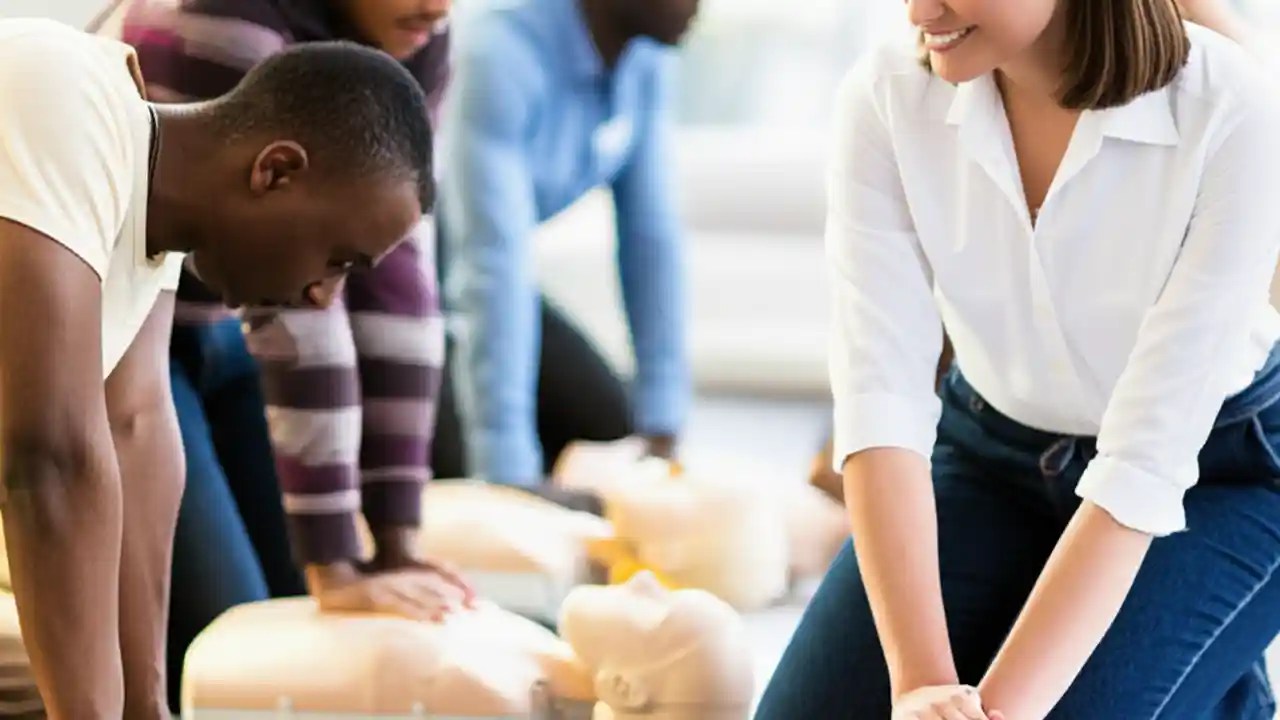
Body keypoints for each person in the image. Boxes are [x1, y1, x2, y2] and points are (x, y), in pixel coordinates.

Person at [755, 0, 1280, 718]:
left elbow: (1143, 467)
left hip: (1222, 474)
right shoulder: (884, 96)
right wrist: (920, 686)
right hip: (990, 450)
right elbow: (881, 403)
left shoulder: (1231, 106)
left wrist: (997, 710)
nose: (918, 10)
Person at [0, 16, 442, 717]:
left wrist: (149, 705)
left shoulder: (152, 221)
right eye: (339, 259)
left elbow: (136, 428)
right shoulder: (64, 88)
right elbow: (47, 456)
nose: (323, 295)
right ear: (275, 170)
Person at [115, 0, 458, 711]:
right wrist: (333, 557)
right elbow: (298, 303)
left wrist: (393, 537)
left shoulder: (422, 35)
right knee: (228, 638)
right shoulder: (217, 19)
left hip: (224, 323)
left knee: (304, 617)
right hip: (114, 326)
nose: (441, 6)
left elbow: (385, 269)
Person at [434, 0, 699, 493]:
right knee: (473, 465)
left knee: (614, 428)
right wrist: (507, 475)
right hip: (411, 282)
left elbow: (651, 240)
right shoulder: (501, 52)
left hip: (493, 280)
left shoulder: (648, 62)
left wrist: (663, 420)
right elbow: (491, 265)